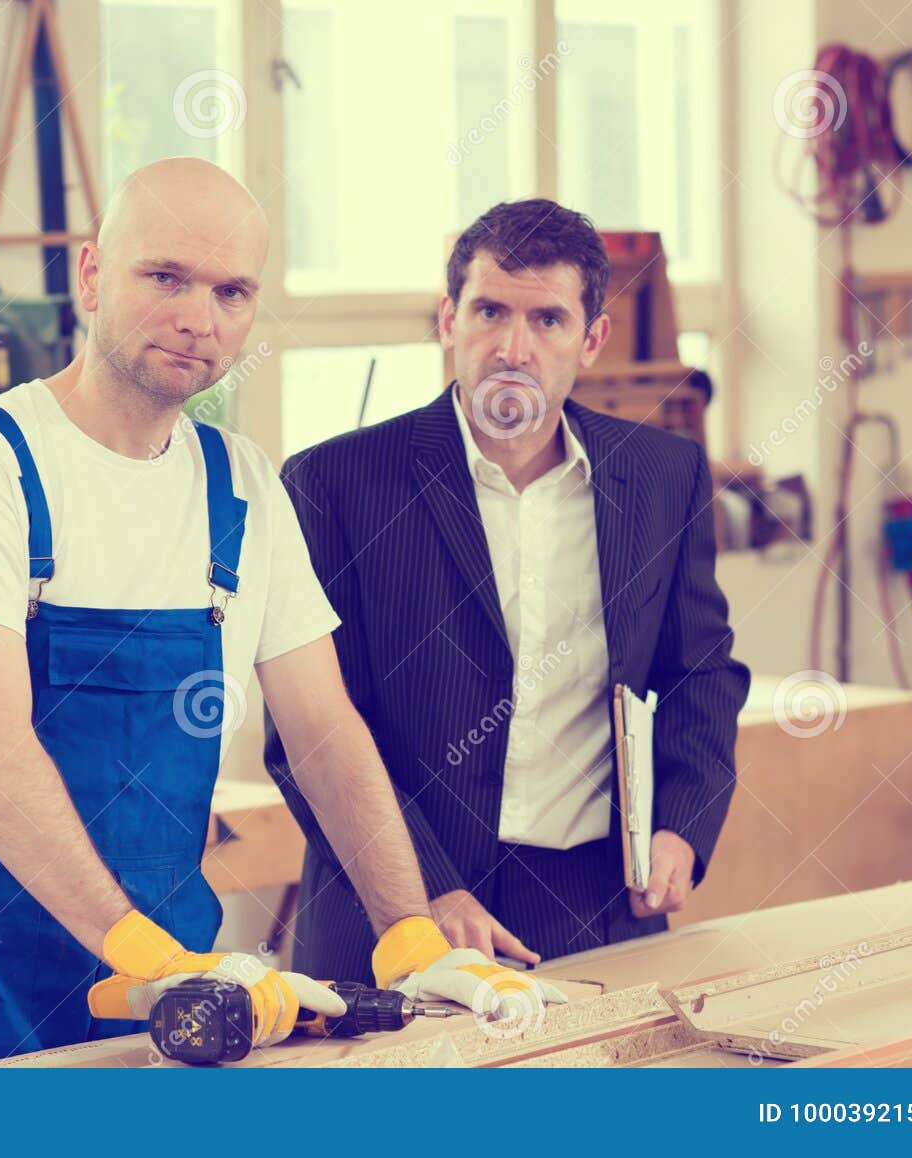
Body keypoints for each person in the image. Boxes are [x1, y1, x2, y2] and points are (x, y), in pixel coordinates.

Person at [0, 161, 561, 1068]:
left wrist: (409, 933)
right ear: (93, 278)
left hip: (159, 975)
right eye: (166, 277)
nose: (198, 318)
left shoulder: (243, 483)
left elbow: (326, 731)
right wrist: (148, 956)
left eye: (232, 292)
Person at [267, 199, 750, 983]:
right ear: (448, 318)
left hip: (593, 905)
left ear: (591, 338)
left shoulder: (663, 474)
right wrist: (421, 890)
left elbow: (702, 673)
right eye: (489, 311)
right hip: (388, 912)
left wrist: (682, 826)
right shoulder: (334, 485)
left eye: (548, 320)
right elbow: (310, 730)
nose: (512, 348)